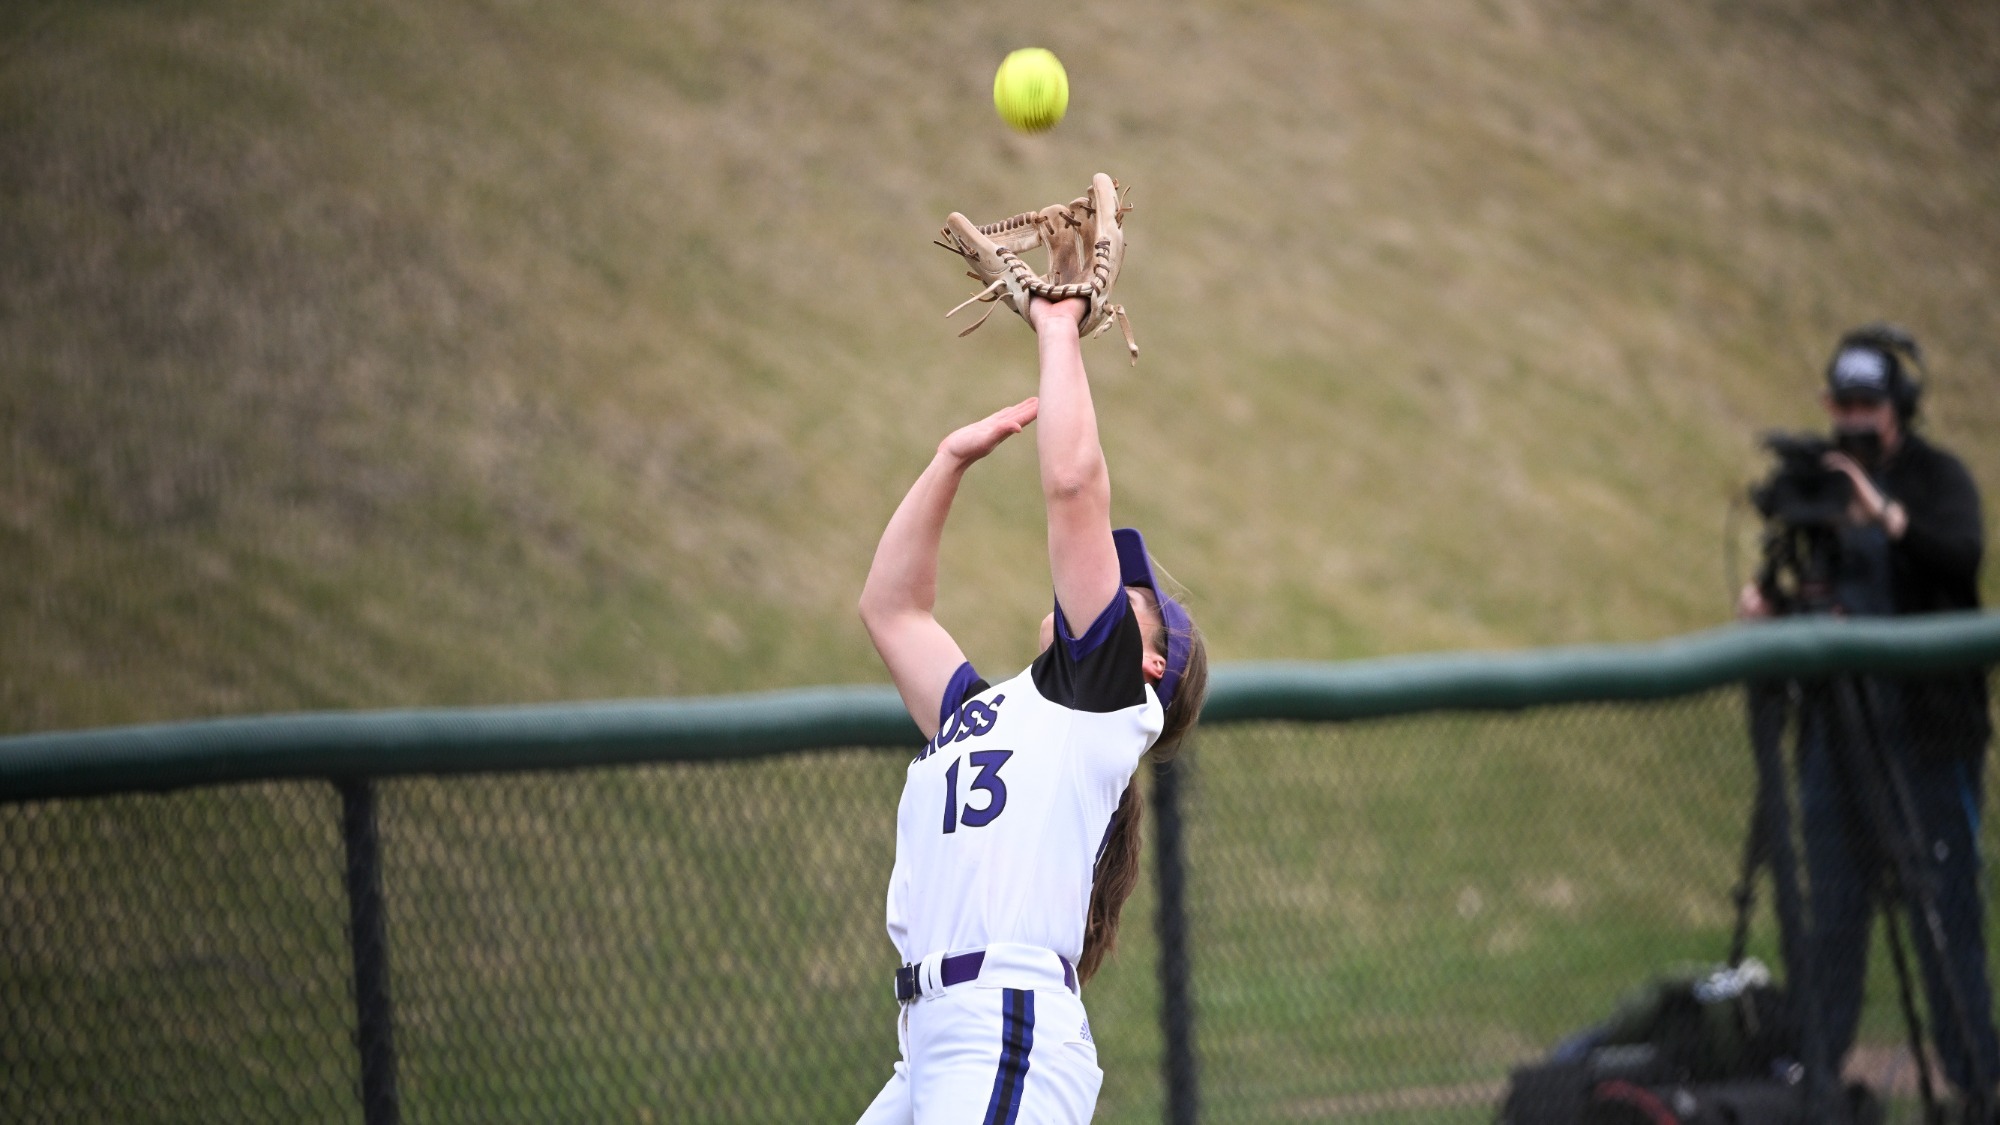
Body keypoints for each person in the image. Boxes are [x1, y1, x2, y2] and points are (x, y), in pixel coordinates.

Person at [852, 294, 1208, 1125]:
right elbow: (892, 608)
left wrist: (1057, 328)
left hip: (998, 1029)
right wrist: (948, 460)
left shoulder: (1106, 703)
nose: (1107, 587)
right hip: (933, 1041)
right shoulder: (986, 714)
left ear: (1144, 662)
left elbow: (1074, 484)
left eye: (1132, 598)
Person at [1738, 326, 1996, 1119]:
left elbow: (1961, 556)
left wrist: (1883, 513)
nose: (1852, 420)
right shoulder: (1817, 485)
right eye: (1841, 404)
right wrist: (1770, 607)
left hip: (1924, 737)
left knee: (1943, 913)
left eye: (1867, 406)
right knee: (1832, 916)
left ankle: (1976, 1082)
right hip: (1835, 739)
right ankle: (1819, 1075)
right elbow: (1811, 587)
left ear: (1900, 409)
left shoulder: (1935, 479)